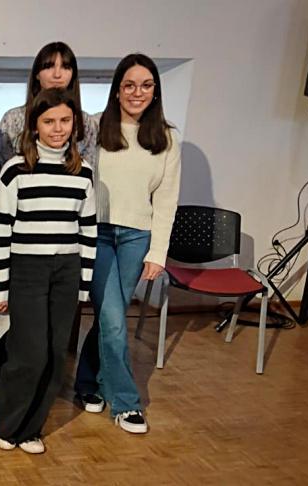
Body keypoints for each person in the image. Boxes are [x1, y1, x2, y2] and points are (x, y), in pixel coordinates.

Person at [73, 53, 181, 434]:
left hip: (138, 237)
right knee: (115, 320)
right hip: (98, 232)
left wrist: (158, 254)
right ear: (117, 90)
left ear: (155, 91)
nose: (138, 92)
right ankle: (126, 403)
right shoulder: (94, 129)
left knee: (109, 319)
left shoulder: (167, 139)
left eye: (146, 85)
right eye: (130, 85)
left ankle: (87, 383)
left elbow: (167, 200)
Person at [0, 88, 97, 455]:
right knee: (29, 352)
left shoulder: (83, 173)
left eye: (65, 121)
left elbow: (88, 232)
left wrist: (82, 287)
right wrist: (1, 287)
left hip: (66, 271)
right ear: (34, 125)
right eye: (49, 121)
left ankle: (32, 428)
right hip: (26, 270)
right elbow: (0, 229)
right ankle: (7, 424)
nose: (58, 128)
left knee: (54, 354)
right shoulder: (15, 170)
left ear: (75, 124)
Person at [0, 42, 100, 177]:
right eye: (49, 66)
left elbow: (88, 174)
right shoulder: (13, 119)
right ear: (37, 74)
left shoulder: (85, 123)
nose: (57, 74)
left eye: (65, 67)